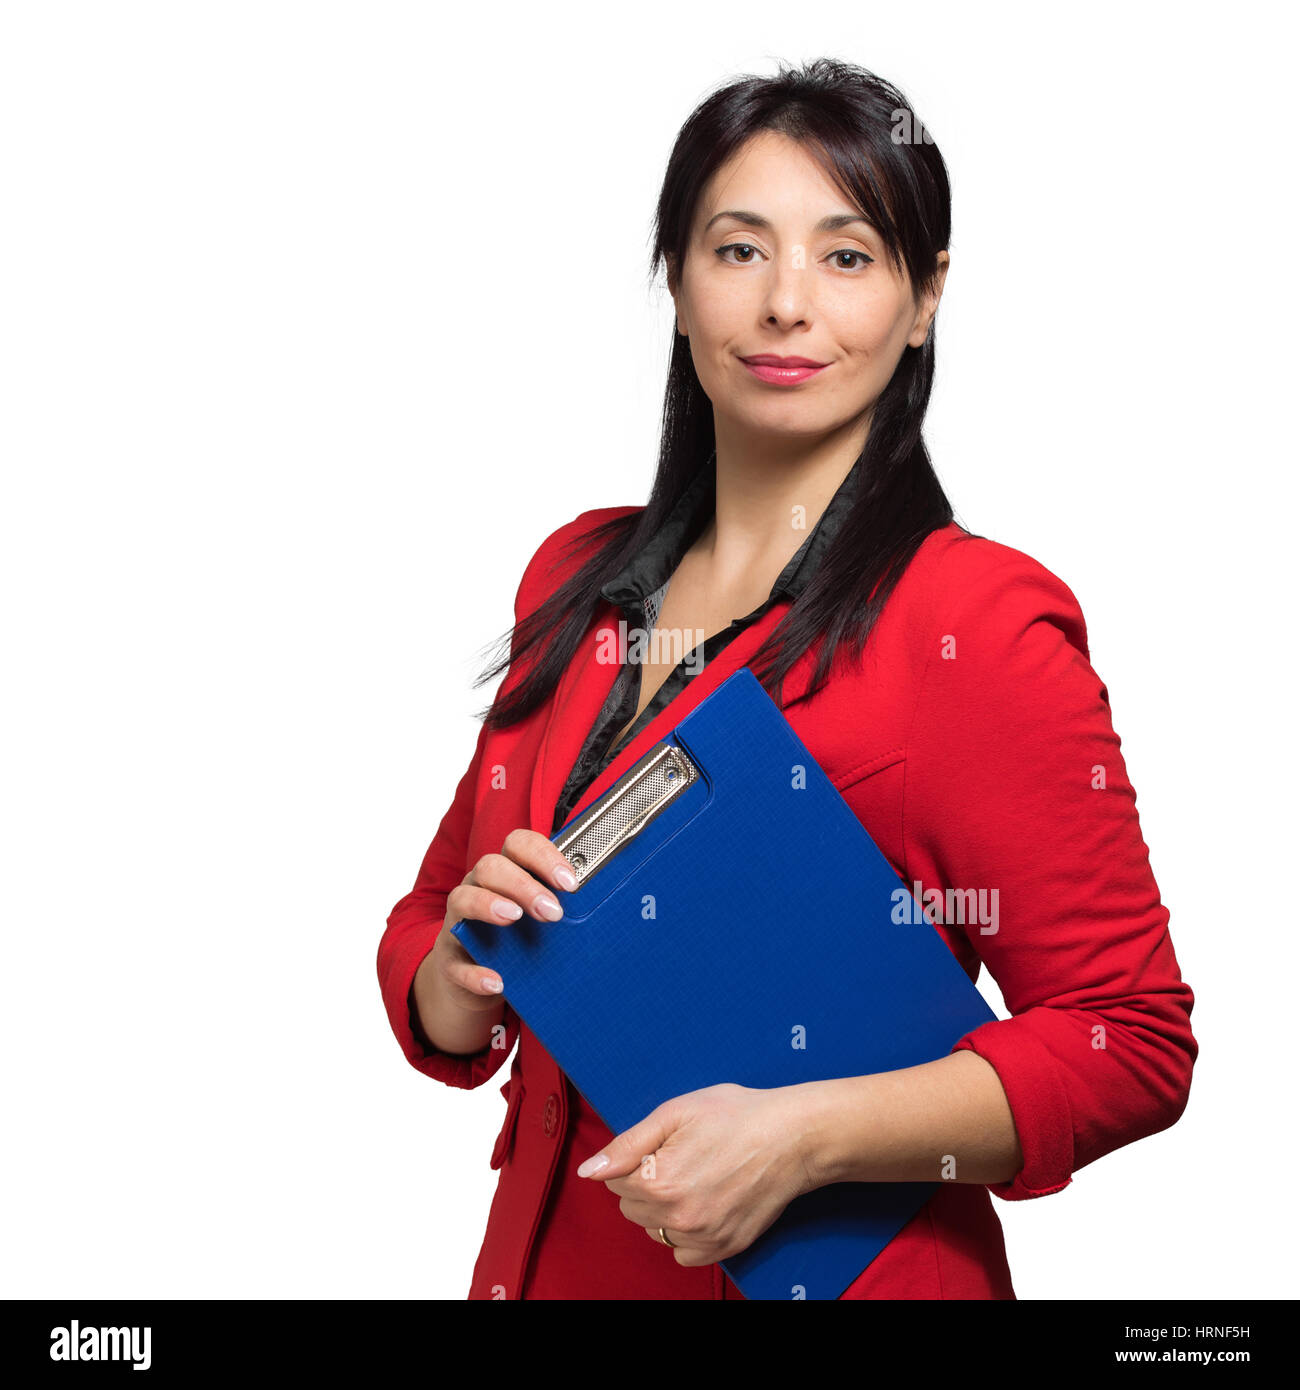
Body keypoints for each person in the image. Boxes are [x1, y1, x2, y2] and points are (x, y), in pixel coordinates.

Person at [377, 58, 1197, 1300]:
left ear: (925, 299)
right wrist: (453, 979)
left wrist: (803, 1138)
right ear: (677, 280)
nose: (786, 305)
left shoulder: (972, 621)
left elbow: (1126, 1040)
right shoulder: (579, 575)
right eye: (739, 249)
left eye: (848, 255)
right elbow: (435, 911)